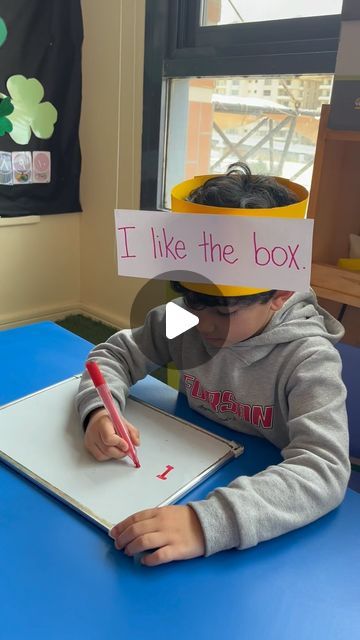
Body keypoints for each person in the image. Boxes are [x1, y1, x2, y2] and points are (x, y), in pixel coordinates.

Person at [76, 163, 350, 567]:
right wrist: (99, 411)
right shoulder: (184, 317)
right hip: (184, 467)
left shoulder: (308, 359)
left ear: (280, 293)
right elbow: (112, 356)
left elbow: (323, 470)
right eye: (193, 301)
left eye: (224, 309)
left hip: (259, 521)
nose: (202, 322)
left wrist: (208, 523)